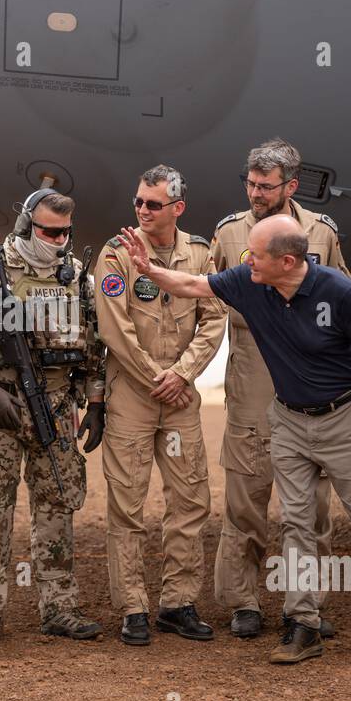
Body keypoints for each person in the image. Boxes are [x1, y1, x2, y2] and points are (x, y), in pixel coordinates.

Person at [117, 214, 351, 664]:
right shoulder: (249, 281)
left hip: (345, 418)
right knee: (296, 525)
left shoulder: (339, 292)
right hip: (290, 422)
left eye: (256, 255)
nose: (245, 261)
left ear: (288, 260)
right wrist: (149, 270)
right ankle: (303, 625)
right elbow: (194, 285)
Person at [212, 138, 351, 639]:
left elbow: (343, 301)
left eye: (266, 186)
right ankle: (243, 602)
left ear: (290, 186)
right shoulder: (229, 234)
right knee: (246, 500)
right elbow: (209, 303)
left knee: (311, 507)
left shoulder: (321, 232)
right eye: (250, 184)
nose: (255, 193)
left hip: (310, 387)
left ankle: (305, 605)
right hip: (252, 385)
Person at [0, 189, 105, 641]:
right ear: (24, 224)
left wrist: (95, 401)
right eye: (47, 231)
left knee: (57, 504)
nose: (57, 240)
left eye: (64, 232)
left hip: (57, 407)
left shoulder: (75, 276)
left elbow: (95, 345)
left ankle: (59, 608)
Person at [96, 165, 226, 647]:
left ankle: (178, 603)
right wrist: (160, 377)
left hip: (181, 396)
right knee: (127, 503)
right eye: (139, 202)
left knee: (190, 500)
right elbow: (115, 329)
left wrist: (184, 374)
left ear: (178, 207)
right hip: (134, 394)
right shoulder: (117, 255)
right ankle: (133, 606)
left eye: (153, 204)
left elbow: (215, 317)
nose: (143, 210)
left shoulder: (200, 254)